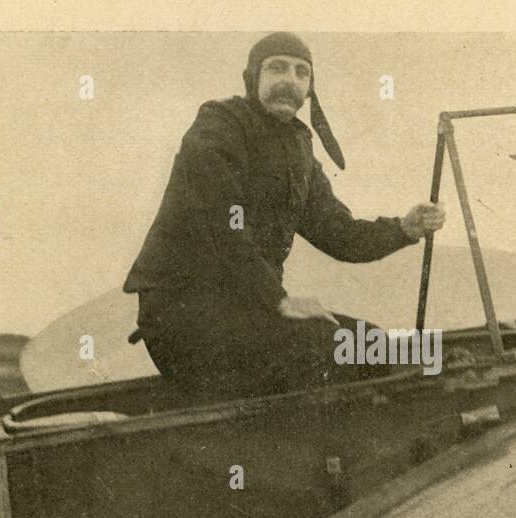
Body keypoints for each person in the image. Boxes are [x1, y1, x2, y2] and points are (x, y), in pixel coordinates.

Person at [123, 31, 445, 399]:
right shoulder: (218, 127)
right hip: (185, 318)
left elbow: (338, 232)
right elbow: (225, 227)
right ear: (253, 78)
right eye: (277, 68)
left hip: (251, 311)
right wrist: (279, 299)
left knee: (371, 344)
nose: (290, 81)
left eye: (301, 73)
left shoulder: (298, 148)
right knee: (325, 349)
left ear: (309, 88)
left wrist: (404, 229)